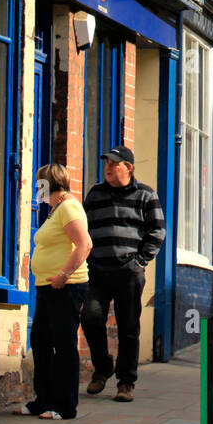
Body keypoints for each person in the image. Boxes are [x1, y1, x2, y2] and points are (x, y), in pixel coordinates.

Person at [81, 146, 165, 403]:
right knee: (90, 317)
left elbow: (157, 231)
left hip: (129, 272)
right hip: (98, 270)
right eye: (106, 162)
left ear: (128, 167)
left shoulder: (146, 194)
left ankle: (126, 382)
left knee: (128, 327)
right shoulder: (95, 194)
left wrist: (139, 261)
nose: (108, 167)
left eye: (114, 163)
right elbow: (84, 229)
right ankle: (104, 366)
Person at [15, 163, 92, 421]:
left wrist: (63, 275)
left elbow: (85, 245)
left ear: (49, 184)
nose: (37, 189)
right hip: (48, 287)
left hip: (66, 287)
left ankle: (65, 406)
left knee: (63, 344)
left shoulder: (68, 206)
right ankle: (44, 400)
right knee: (41, 341)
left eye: (40, 184)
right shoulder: (55, 210)